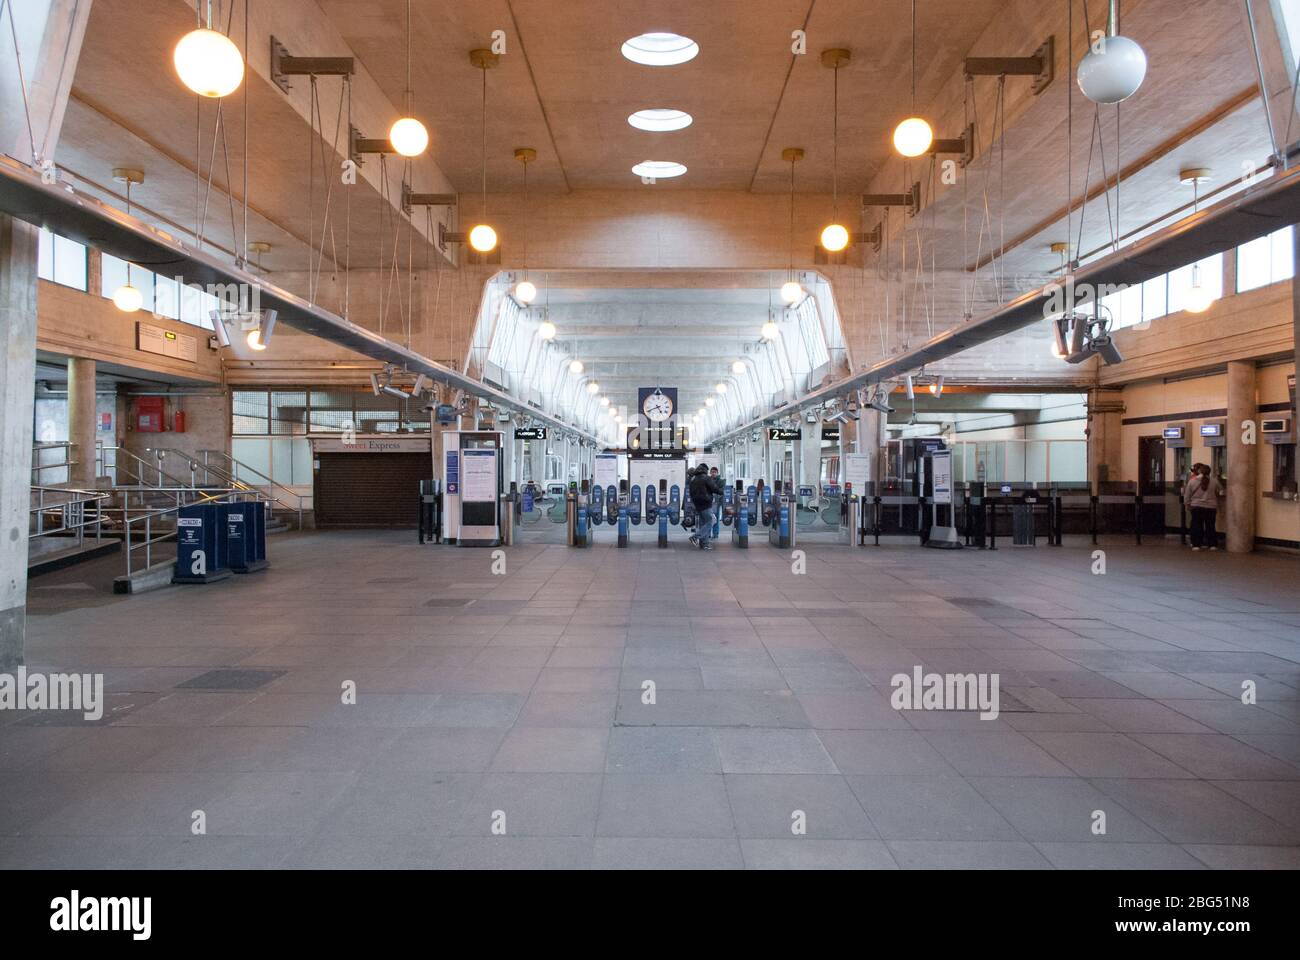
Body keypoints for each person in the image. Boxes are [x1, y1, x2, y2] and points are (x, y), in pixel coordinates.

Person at [1185, 462, 1223, 551]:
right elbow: (1221, 491)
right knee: (1210, 526)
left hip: (1196, 506)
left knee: (1197, 525)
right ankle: (1212, 545)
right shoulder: (1214, 481)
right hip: (1211, 507)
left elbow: (1187, 495)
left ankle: (1196, 544)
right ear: (1209, 472)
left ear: (1199, 471)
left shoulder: (1193, 481)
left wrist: (1187, 504)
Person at [688, 464, 724, 550]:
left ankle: (704, 544)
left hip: (697, 504)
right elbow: (714, 488)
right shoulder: (706, 478)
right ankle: (695, 537)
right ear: (705, 470)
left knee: (703, 523)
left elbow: (690, 491)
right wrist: (721, 492)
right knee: (712, 520)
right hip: (705, 503)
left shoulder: (693, 479)